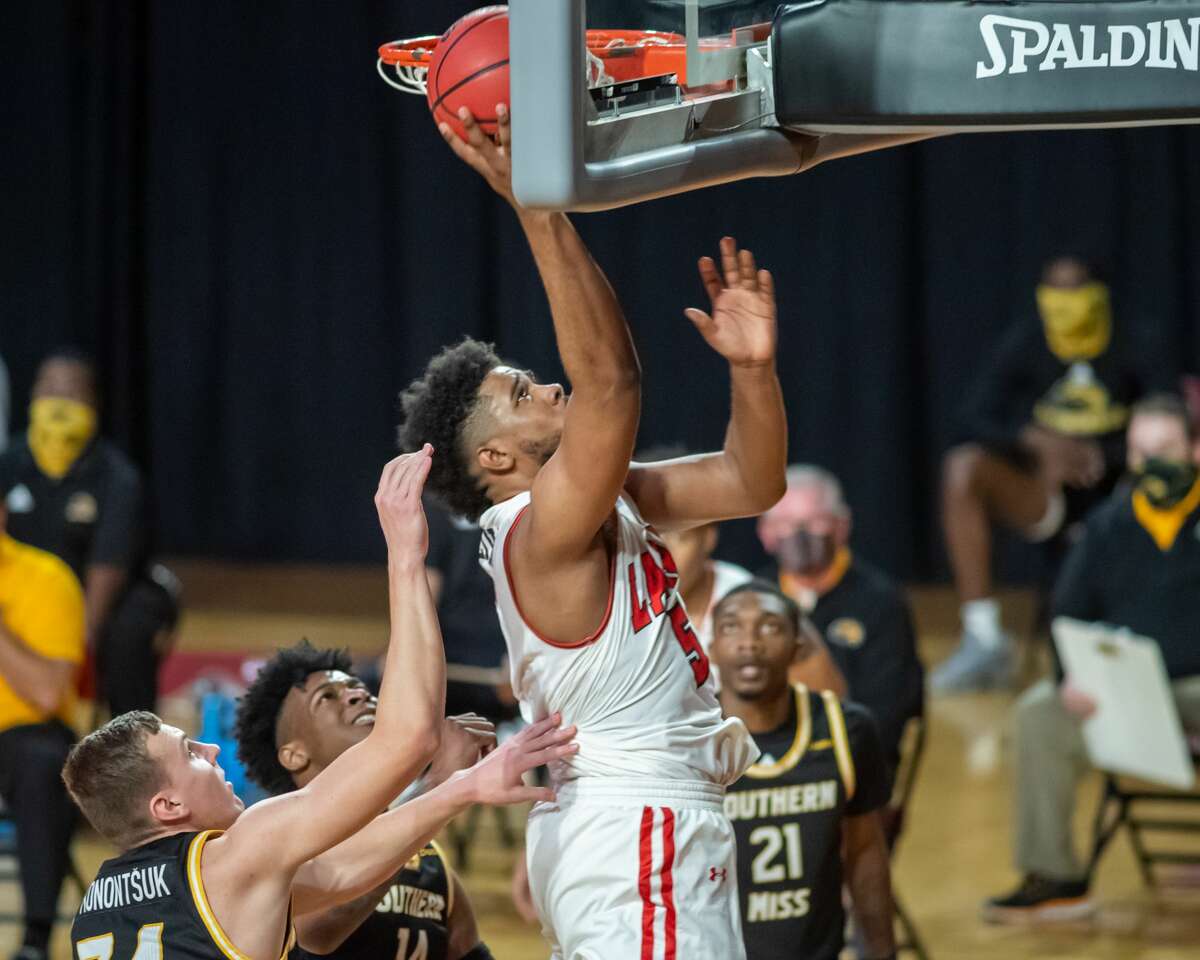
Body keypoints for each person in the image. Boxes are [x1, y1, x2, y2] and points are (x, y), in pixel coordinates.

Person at [399, 105, 790, 959]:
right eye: (522, 392)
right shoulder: (540, 533)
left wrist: (753, 373)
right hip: (634, 827)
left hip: (641, 824)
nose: (547, 388)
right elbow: (610, 381)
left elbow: (750, 481)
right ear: (497, 456)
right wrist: (535, 202)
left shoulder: (598, 503)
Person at [64, 449, 575, 960]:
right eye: (191, 753)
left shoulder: (94, 910)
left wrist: (458, 789)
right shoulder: (239, 854)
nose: (213, 750)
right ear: (167, 806)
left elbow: (345, 874)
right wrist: (405, 555)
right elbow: (409, 738)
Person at [984, 394, 1200, 922]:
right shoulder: (1108, 525)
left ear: (1195, 449)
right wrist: (1070, 679)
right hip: (1133, 690)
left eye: (1166, 448)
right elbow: (1068, 614)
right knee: (1040, 712)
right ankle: (1055, 877)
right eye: (1140, 450)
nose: (1152, 463)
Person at [933, 257, 1171, 692]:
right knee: (962, 467)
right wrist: (1034, 440)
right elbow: (970, 415)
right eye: (1053, 294)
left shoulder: (1137, 340)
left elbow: (1171, 418)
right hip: (1048, 491)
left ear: (1100, 295)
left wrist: (1104, 452)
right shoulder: (1029, 340)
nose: (1064, 306)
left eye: (1075, 292)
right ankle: (984, 636)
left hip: (1124, 493)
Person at [234, 641, 499, 960]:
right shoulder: (280, 851)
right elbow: (319, 933)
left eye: (357, 687)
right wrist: (439, 786)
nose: (359, 695)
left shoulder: (429, 856)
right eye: (327, 697)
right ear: (295, 754)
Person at [711, 581, 895, 960]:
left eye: (770, 626)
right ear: (711, 648)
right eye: (731, 627)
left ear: (797, 648)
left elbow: (865, 853)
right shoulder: (686, 737)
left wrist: (882, 952)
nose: (750, 642)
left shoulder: (846, 729)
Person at [0, 349, 149, 714]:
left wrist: (82, 640)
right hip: (24, 590)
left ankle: (133, 734)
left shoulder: (118, 478)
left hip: (79, 598)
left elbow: (107, 565)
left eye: (71, 394)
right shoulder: (8, 464)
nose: (58, 405)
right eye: (49, 390)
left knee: (130, 629)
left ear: (94, 404)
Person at [758, 465, 923, 775]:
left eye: (815, 521)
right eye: (785, 523)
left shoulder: (881, 603)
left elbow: (889, 713)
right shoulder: (751, 599)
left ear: (842, 526)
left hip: (850, 767)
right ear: (765, 533)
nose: (799, 535)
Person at [0, 501, 86, 960]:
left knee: (44, 762)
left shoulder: (46, 578)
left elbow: (49, 693)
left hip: (23, 732)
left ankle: (35, 938)